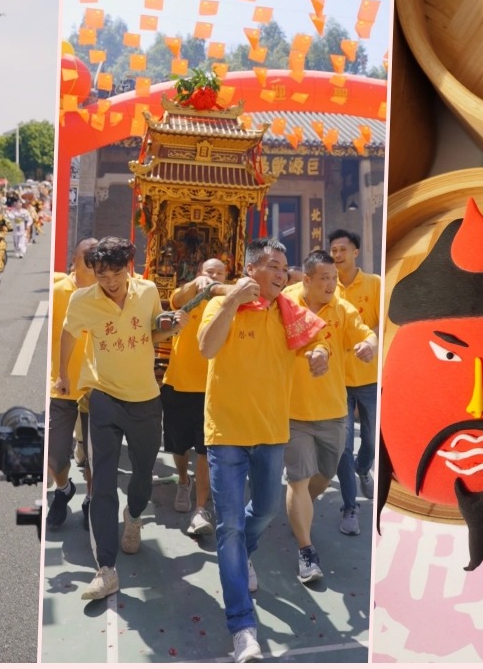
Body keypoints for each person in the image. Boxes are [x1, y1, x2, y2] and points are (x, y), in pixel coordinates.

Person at [198, 238, 330, 663]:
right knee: (230, 528)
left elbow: (315, 345)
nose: (280, 272)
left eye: (284, 266)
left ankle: (241, 557)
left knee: (268, 510)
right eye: (272, 265)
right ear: (251, 269)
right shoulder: (223, 303)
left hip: (272, 431)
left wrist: (321, 354)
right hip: (227, 434)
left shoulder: (289, 312)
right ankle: (243, 627)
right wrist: (233, 300)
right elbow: (206, 347)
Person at [53, 237, 187, 602]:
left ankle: (135, 515)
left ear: (130, 266)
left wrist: (173, 327)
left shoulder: (146, 292)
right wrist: (64, 374)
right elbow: (68, 334)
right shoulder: (84, 299)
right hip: (104, 396)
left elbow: (153, 332)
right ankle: (106, 569)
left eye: (115, 273)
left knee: (142, 476)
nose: (109, 281)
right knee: (103, 483)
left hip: (145, 399)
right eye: (101, 274)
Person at [282, 251, 377, 579]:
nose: (331, 284)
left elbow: (367, 334)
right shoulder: (284, 304)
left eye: (334, 279)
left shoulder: (342, 308)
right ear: (306, 280)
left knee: (323, 475)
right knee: (298, 478)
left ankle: (298, 510)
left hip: (335, 412)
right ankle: (306, 551)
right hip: (292, 411)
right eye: (324, 278)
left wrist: (370, 346)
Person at [161, 257, 233, 536]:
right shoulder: (188, 295)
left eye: (219, 273)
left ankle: (200, 508)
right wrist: (196, 283)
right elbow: (175, 299)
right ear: (200, 273)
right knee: (179, 448)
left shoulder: (229, 301)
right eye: (209, 272)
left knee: (205, 450)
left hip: (213, 388)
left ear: (226, 277)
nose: (214, 276)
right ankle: (182, 480)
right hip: (178, 384)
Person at [328, 228, 382, 534]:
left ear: (355, 252)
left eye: (342, 250)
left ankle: (364, 469)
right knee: (343, 446)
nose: (337, 255)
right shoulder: (327, 287)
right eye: (333, 250)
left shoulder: (373, 284)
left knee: (372, 440)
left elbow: (381, 324)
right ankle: (349, 507)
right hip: (338, 382)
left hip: (371, 378)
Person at [46, 237, 97, 535]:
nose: (91, 260)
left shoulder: (110, 292)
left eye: (96, 255)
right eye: (85, 255)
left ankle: (91, 499)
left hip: (97, 387)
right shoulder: (58, 292)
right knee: (54, 455)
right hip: (62, 386)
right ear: (74, 260)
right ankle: (63, 489)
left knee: (94, 454)